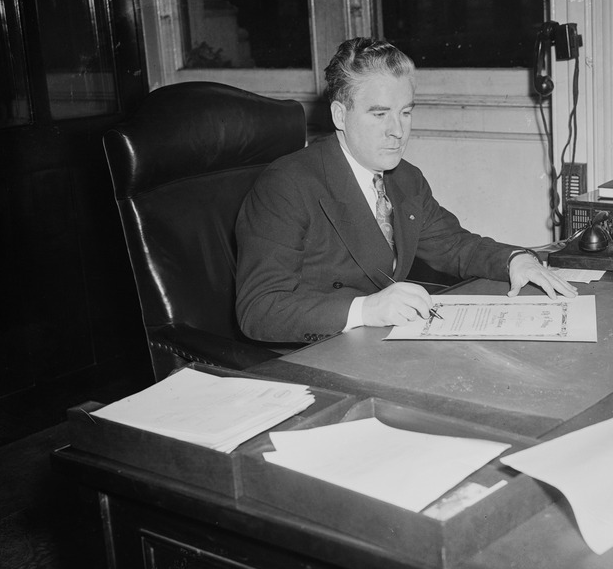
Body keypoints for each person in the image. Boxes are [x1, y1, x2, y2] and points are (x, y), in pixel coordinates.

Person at [235, 36, 576, 343]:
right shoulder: (286, 185)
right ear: (340, 115)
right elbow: (259, 310)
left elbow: (453, 245)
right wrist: (365, 310)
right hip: (314, 351)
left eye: (406, 112)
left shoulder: (403, 177)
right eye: (379, 114)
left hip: (378, 342)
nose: (397, 131)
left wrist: (515, 260)